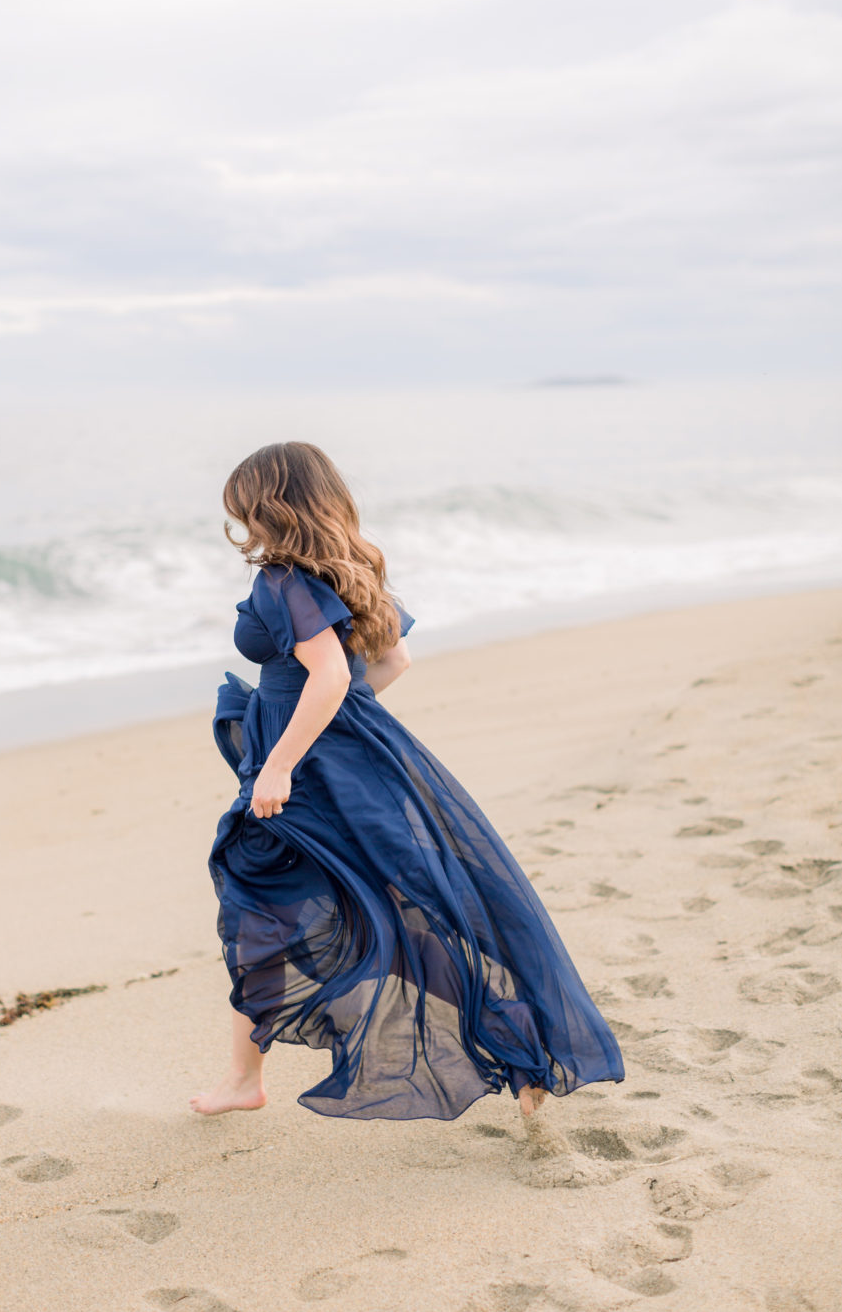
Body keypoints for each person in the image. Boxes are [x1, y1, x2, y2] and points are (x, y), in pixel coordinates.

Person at [190, 441, 625, 1122]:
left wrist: (281, 761)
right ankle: (517, 1046)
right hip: (351, 761)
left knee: (261, 904)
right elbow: (392, 662)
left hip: (302, 775)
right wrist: (342, 736)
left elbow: (333, 677)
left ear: (270, 506)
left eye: (245, 510)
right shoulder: (346, 568)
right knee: (392, 907)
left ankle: (244, 1081)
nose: (243, 524)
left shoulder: (281, 581)